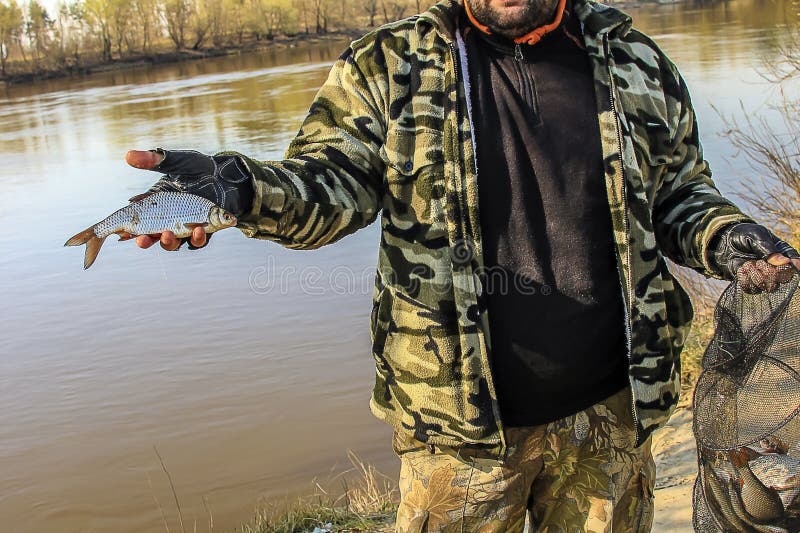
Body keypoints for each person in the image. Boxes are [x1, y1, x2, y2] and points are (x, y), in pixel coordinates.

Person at [125, 0, 800, 530]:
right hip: (457, 432)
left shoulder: (637, 62)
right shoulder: (386, 65)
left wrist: (729, 238)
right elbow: (327, 188)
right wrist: (240, 189)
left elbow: (682, 194)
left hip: (612, 419)